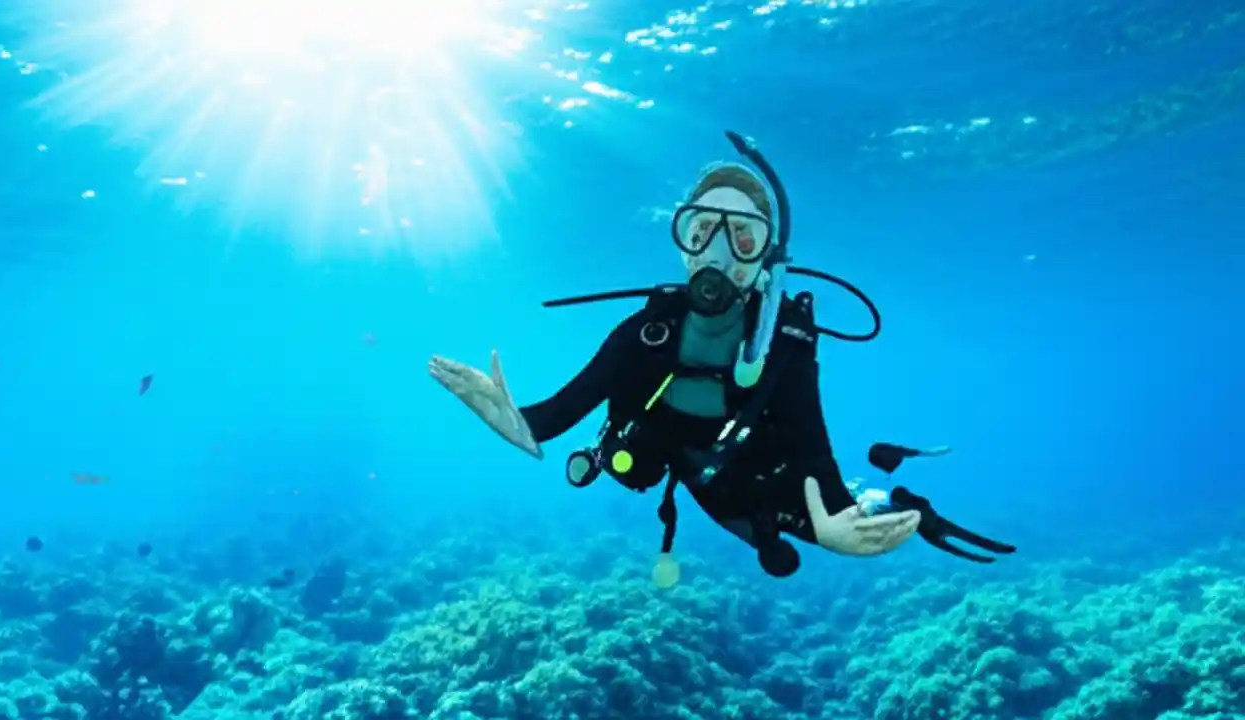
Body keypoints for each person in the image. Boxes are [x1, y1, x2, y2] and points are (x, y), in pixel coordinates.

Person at [429, 132, 1014, 586]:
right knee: (770, 526)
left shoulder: (782, 337)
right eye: (703, 229)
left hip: (764, 472)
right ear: (682, 245)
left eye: (743, 237)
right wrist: (507, 418)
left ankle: (892, 498)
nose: (719, 252)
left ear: (767, 257)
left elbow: (810, 437)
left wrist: (835, 515)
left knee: (837, 521)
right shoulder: (647, 332)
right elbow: (554, 416)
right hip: (695, 475)